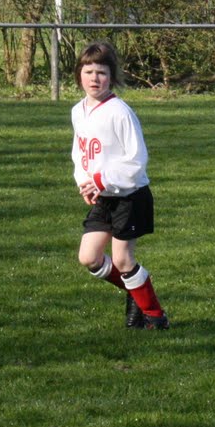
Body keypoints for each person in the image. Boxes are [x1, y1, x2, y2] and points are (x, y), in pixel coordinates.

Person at [71, 41, 168, 330]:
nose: (94, 78)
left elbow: (137, 160)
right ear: (79, 75)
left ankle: (155, 316)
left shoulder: (120, 112)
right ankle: (136, 293)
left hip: (129, 196)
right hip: (103, 197)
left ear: (111, 77)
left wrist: (101, 180)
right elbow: (79, 153)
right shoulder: (78, 111)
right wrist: (85, 183)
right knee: (89, 258)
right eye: (88, 72)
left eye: (101, 72)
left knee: (124, 261)